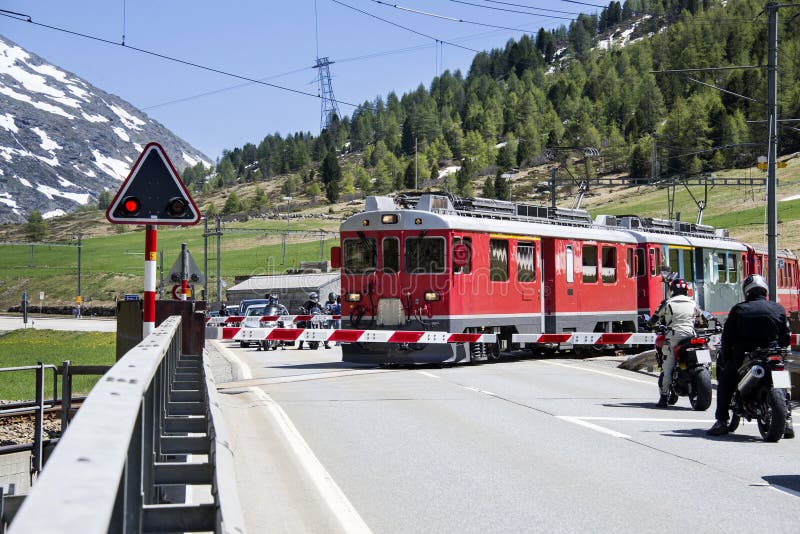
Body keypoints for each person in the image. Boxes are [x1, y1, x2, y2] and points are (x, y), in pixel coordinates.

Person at [707, 274, 793, 437]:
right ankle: (788, 421)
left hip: (745, 356)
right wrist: (779, 348)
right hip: (772, 354)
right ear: (765, 290)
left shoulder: (739, 309)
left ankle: (721, 421)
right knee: (782, 382)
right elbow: (786, 337)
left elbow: (727, 338)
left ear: (746, 291)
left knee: (725, 381)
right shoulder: (778, 308)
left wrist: (726, 356)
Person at [648, 277, 703, 408]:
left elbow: (654, 319)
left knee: (667, 366)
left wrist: (649, 324)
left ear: (672, 290)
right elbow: (702, 319)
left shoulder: (667, 303)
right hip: (691, 335)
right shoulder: (693, 303)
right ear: (686, 290)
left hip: (674, 336)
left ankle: (664, 397)